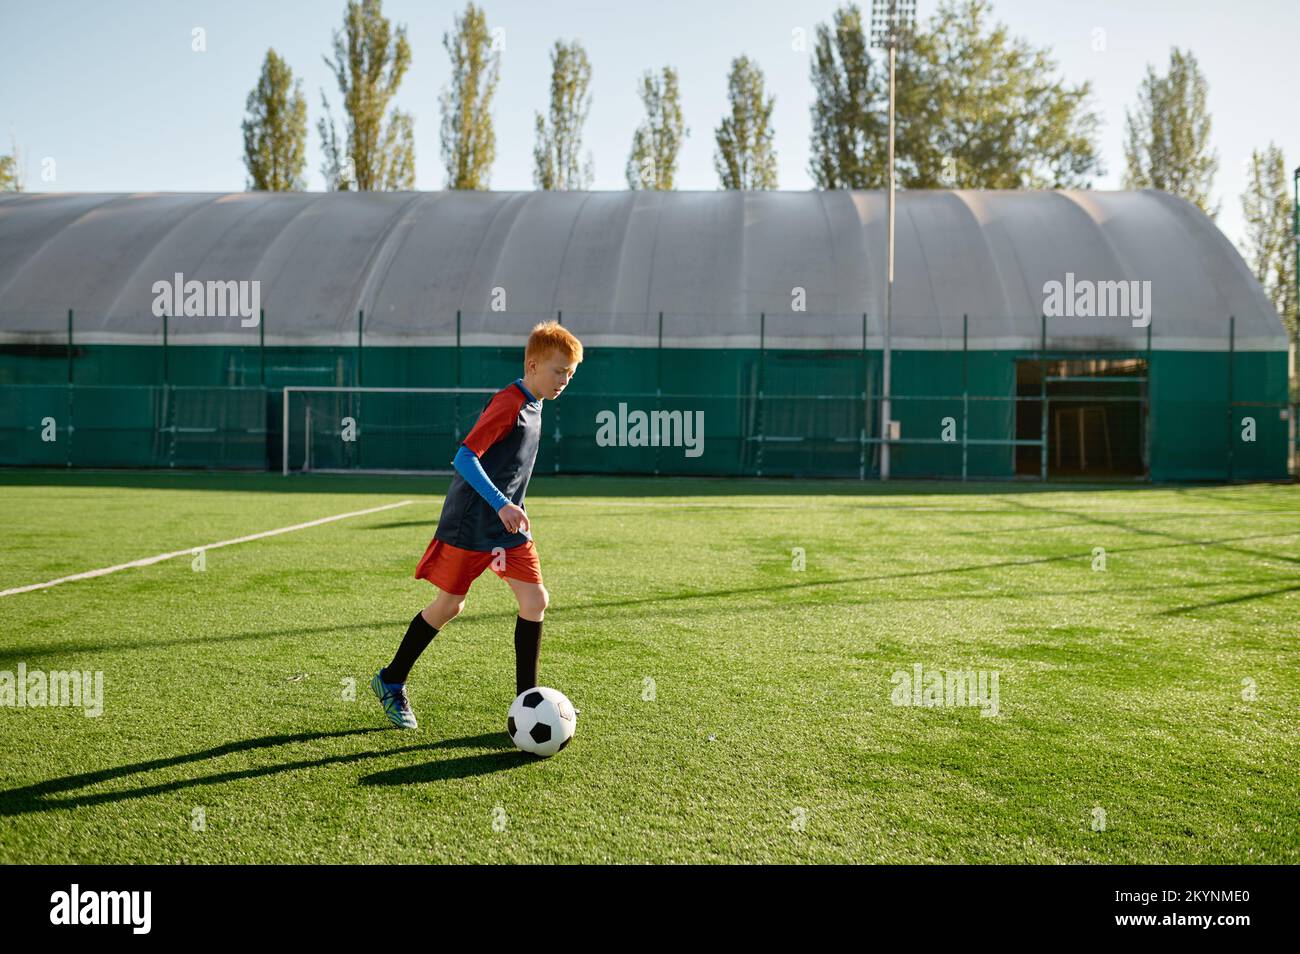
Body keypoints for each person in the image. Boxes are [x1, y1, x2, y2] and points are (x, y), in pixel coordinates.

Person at [370, 320, 583, 729]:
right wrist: (503, 503)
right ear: (534, 364)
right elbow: (466, 457)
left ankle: (529, 702)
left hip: (507, 529)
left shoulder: (536, 406)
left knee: (535, 601)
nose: (564, 381)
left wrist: (517, 507)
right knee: (450, 605)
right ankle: (391, 679)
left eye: (570, 374)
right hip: (471, 524)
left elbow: (511, 468)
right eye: (559, 371)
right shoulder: (509, 403)